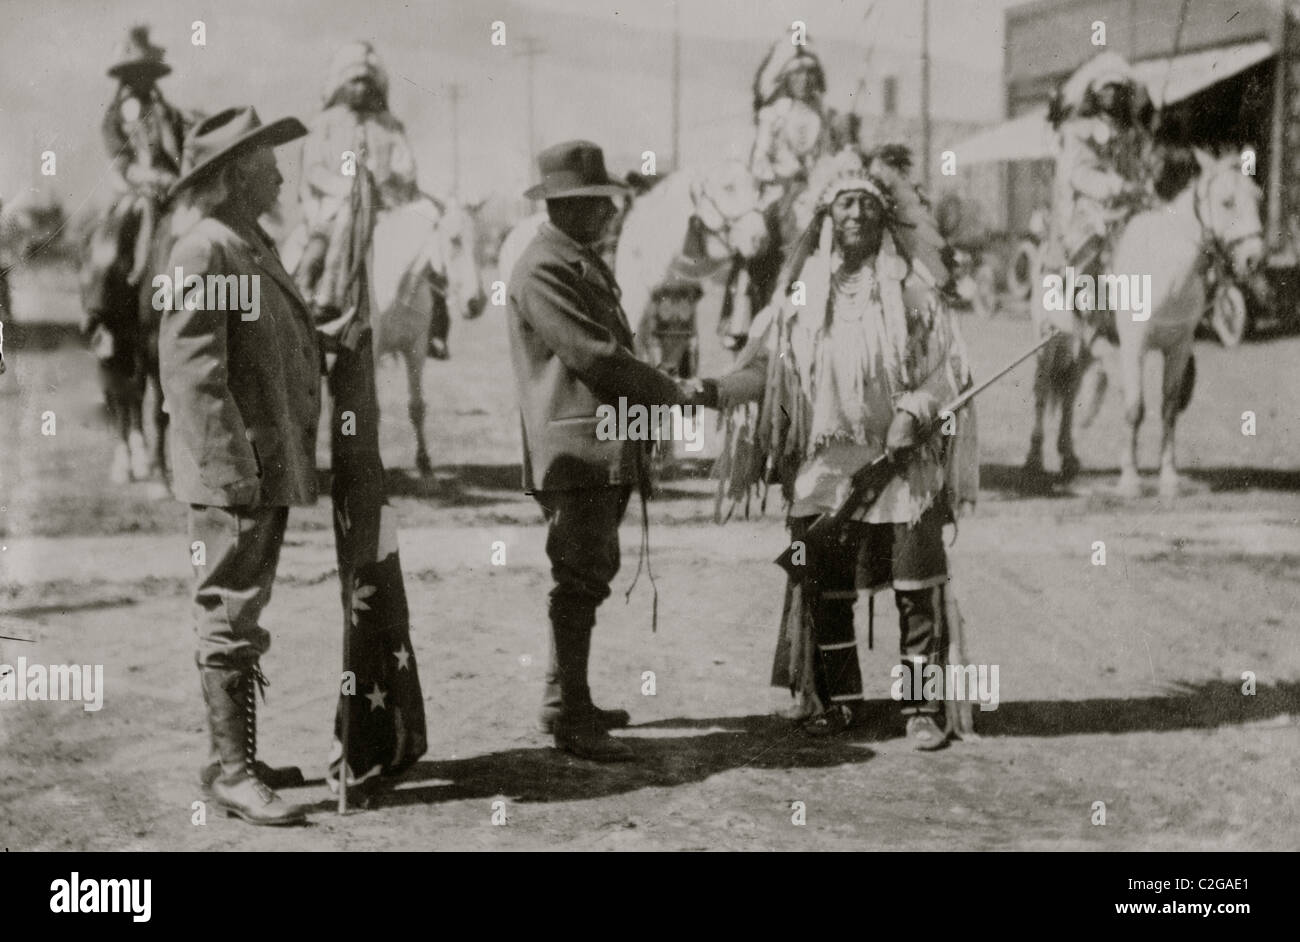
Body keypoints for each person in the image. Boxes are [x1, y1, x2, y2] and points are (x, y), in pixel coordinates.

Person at [691, 150, 979, 750]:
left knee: (915, 590)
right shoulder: (799, 302)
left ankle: (921, 709)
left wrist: (912, 411)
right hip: (824, 467)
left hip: (901, 467)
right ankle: (840, 703)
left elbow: (951, 373)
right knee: (824, 590)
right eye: (845, 203)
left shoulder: (915, 297)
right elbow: (766, 372)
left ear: (885, 220)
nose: (856, 214)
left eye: (868, 205)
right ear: (826, 216)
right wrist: (711, 390)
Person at [506, 140, 692, 762]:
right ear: (563, 206)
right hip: (575, 446)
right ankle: (566, 711)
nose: (610, 212)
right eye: (595, 202)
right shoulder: (543, 266)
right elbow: (593, 354)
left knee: (589, 572)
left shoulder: (577, 258)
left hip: (601, 441)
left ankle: (570, 700)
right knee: (578, 574)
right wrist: (668, 389)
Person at [160, 107, 321, 825]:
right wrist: (232, 473)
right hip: (235, 469)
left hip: (260, 462)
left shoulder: (247, 240)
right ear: (235, 175)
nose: (281, 171)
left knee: (245, 607)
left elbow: (271, 341)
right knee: (229, 610)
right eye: (267, 160)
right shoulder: (205, 250)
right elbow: (195, 377)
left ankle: (238, 757)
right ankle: (231, 773)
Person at [295, 41, 428, 794]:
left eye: (365, 79)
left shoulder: (392, 128)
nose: (357, 88)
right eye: (347, 78)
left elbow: (409, 179)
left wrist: (383, 185)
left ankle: (423, 329)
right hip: (329, 224)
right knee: (314, 244)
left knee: (420, 253)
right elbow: (314, 187)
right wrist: (343, 196)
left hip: (384, 219)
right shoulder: (320, 134)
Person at [81, 25, 192, 483]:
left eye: (147, 71)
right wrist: (142, 179)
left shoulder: (171, 113)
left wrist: (175, 179)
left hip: (169, 191)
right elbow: (117, 160)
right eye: (135, 71)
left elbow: (182, 154)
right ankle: (103, 314)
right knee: (113, 243)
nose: (142, 78)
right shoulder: (115, 114)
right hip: (131, 189)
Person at [1044, 51, 1157, 420]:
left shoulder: (1135, 134)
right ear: (1096, 93)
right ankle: (1093, 335)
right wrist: (1114, 186)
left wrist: (1144, 178)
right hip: (1089, 213)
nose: (1115, 95)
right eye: (1108, 89)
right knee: (1086, 257)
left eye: (1121, 89)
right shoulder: (1079, 131)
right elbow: (1076, 175)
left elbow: (1144, 170)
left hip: (1128, 211)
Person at [749, 38, 828, 208]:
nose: (804, 80)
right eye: (797, 73)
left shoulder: (821, 116)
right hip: (778, 194)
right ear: (786, 77)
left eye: (809, 73)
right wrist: (781, 179)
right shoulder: (773, 115)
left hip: (815, 193)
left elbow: (825, 156)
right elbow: (760, 159)